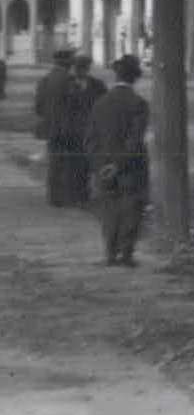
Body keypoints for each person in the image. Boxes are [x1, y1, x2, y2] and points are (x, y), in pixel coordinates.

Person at [86, 55, 150, 268]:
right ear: (135, 78)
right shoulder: (138, 104)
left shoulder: (100, 102)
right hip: (131, 166)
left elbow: (91, 139)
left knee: (109, 208)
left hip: (103, 165)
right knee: (131, 207)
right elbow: (135, 140)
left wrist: (101, 165)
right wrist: (119, 165)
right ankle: (126, 254)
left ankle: (110, 254)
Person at [64, 55, 108, 204]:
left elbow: (104, 106)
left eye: (84, 67)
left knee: (90, 163)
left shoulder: (98, 85)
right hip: (72, 132)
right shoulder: (66, 85)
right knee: (75, 164)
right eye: (78, 68)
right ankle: (76, 195)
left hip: (92, 131)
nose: (80, 71)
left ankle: (87, 195)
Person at [34, 49, 74, 202]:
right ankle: (63, 196)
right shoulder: (69, 80)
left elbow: (38, 107)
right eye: (71, 60)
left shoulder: (45, 79)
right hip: (68, 127)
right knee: (66, 162)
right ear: (66, 62)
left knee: (54, 160)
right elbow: (75, 105)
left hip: (50, 126)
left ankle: (53, 195)